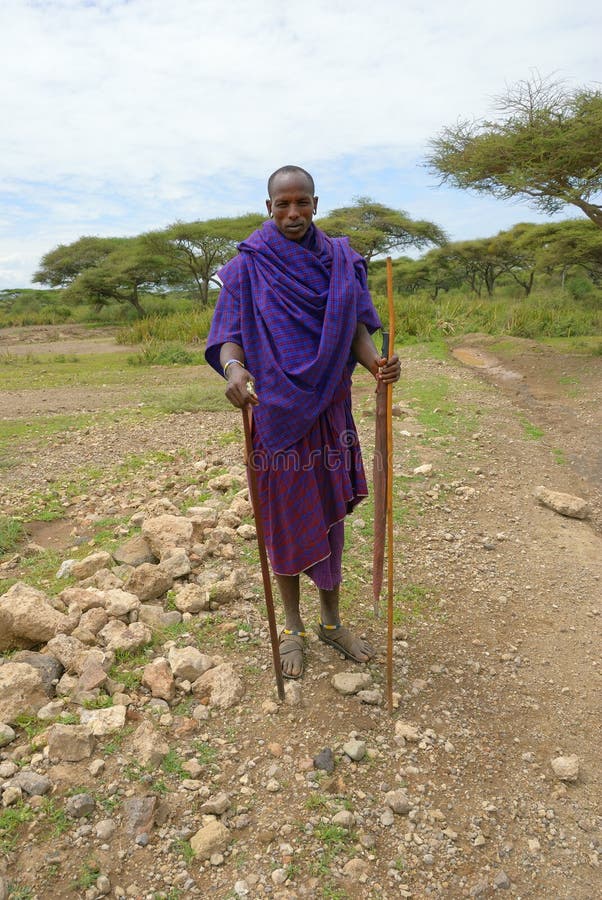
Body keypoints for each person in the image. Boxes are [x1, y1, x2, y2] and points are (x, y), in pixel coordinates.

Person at [205, 165, 400, 678]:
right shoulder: (247, 267)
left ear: (316, 203)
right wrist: (233, 368)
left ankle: (331, 622)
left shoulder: (342, 261)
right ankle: (291, 627)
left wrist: (376, 364)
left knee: (330, 516)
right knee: (287, 520)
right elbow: (229, 337)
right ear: (267, 207)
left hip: (331, 409)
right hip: (276, 414)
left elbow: (356, 330)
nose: (292, 213)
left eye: (302, 203)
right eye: (282, 204)